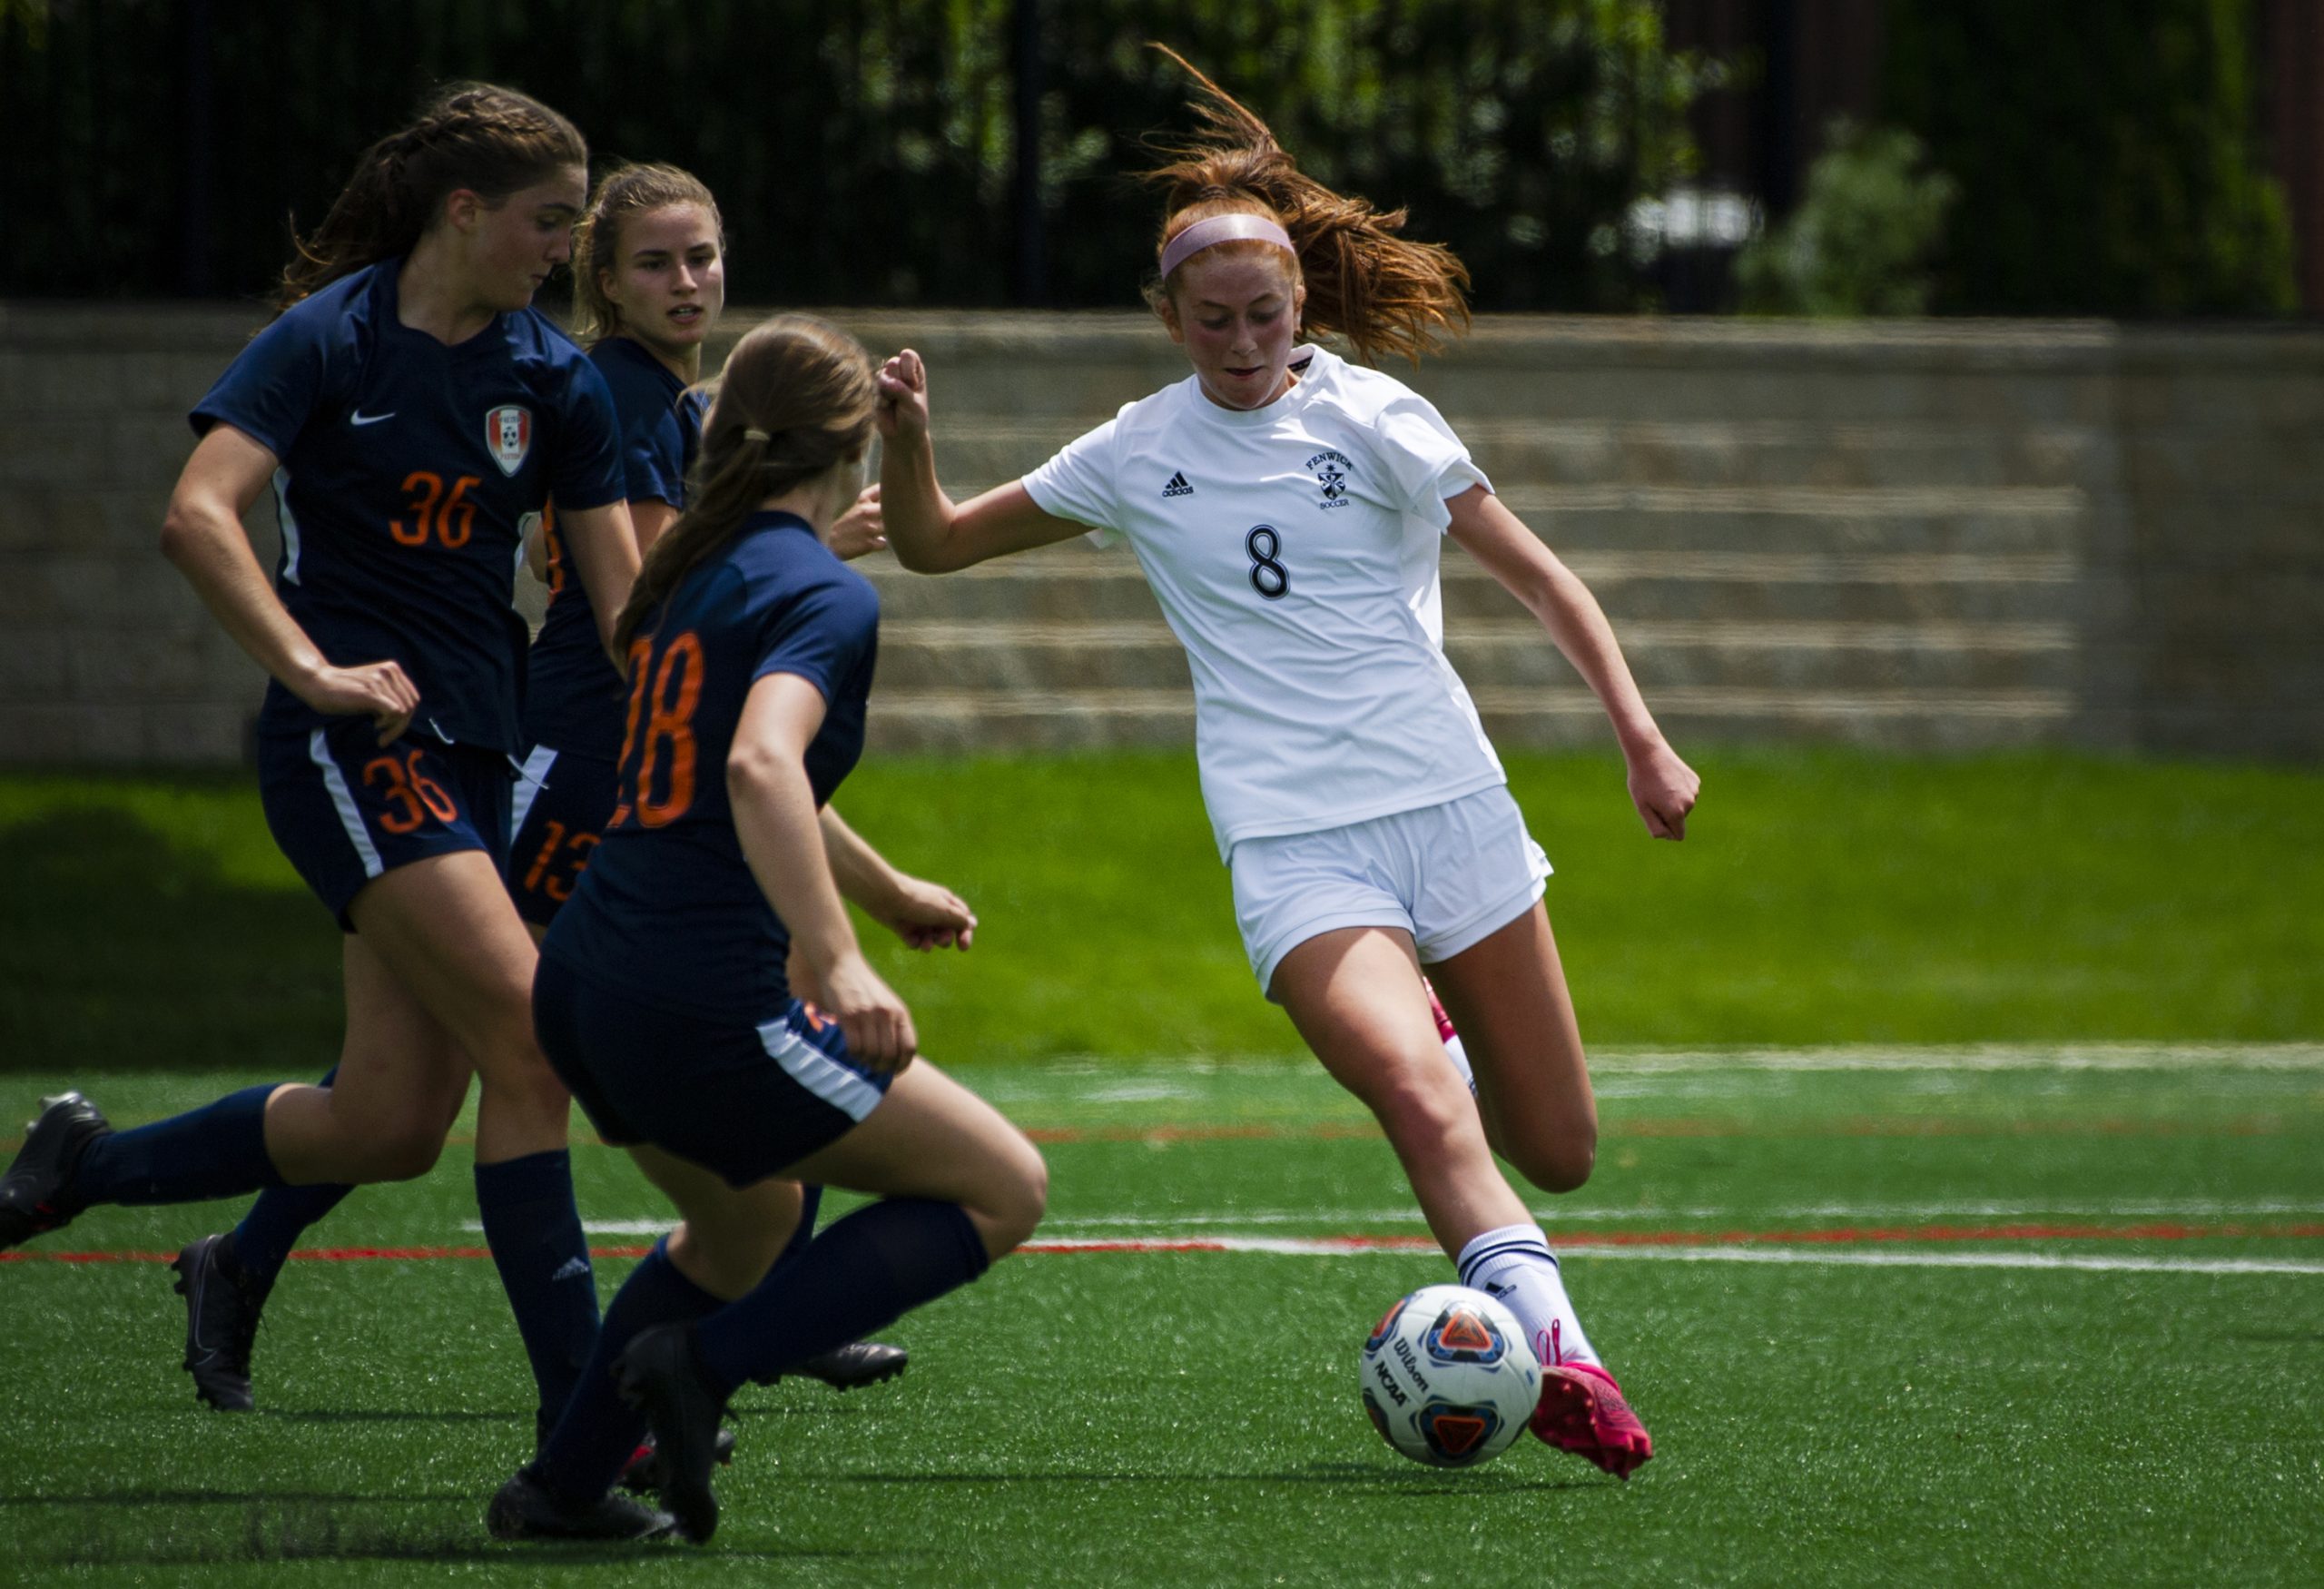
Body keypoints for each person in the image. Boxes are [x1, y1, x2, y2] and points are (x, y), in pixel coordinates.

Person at [871, 54, 1699, 1481]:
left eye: (1264, 314)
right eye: (1212, 320)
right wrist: (908, 443)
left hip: (1451, 808)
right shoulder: (1137, 448)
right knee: (1417, 1097)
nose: (1242, 342)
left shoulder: (1377, 418)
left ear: (1300, 301)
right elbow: (936, 541)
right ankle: (1566, 1353)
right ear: (1167, 317)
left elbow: (1544, 580)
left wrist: (1640, 734)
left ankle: (1457, 1070)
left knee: (1558, 1146)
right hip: (1296, 843)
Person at [0, 83, 640, 1468]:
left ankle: (81, 1167)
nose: (566, 250)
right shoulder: (331, 338)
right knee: (533, 1037)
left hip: (475, 753)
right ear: (462, 211)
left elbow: (623, 608)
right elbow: (198, 515)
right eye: (549, 222)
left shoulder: (556, 378)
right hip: (353, 747)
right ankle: (583, 1440)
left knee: (390, 1121)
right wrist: (314, 668)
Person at [487, 314, 1047, 1543]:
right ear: (855, 445)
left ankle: (559, 1490)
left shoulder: (698, 569)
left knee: (746, 1225)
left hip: (582, 982)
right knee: (1006, 1185)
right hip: (691, 1000)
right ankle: (703, 1367)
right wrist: (840, 961)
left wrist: (884, 894)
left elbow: (728, 766)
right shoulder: (821, 593)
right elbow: (758, 763)